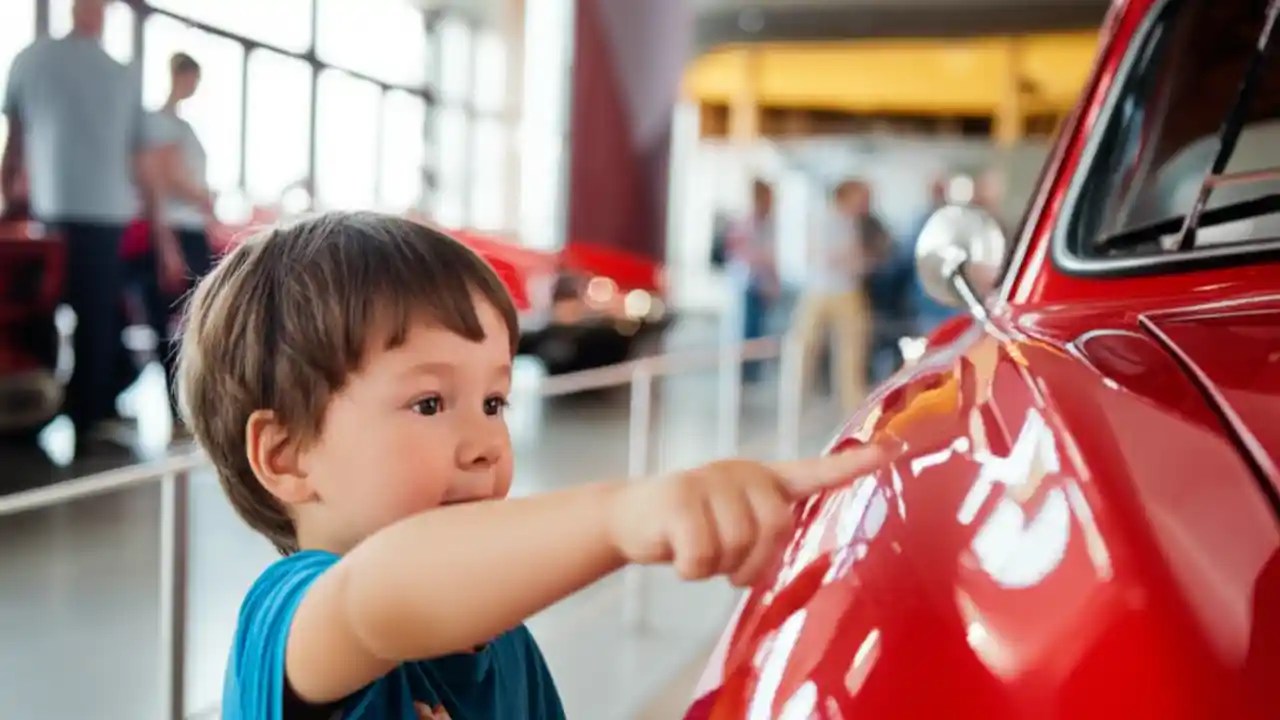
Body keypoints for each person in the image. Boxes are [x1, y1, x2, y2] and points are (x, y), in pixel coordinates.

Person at [179, 212, 890, 719]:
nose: (485, 440)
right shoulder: (288, 618)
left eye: (494, 401)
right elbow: (377, 594)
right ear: (286, 455)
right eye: (429, 403)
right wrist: (620, 514)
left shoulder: (504, 644)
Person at [1, 0, 181, 445]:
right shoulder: (113, 73)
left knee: (51, 315)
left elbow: (16, 142)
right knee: (92, 318)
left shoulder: (37, 59)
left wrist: (8, 197)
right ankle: (82, 415)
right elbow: (140, 162)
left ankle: (51, 414)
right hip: (85, 216)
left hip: (58, 214)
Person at [126, 51, 215, 428]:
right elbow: (158, 186)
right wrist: (167, 247)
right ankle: (179, 410)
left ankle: (192, 406)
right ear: (178, 75)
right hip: (175, 231)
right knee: (172, 323)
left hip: (192, 230)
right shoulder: (158, 125)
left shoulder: (182, 127)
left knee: (198, 321)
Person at [791, 180, 875, 411]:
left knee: (851, 351)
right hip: (821, 290)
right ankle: (794, 396)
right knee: (805, 346)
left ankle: (852, 401)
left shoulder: (852, 223)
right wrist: (852, 260)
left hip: (846, 289)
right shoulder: (823, 218)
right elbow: (823, 255)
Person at [726, 179, 778, 382]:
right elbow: (744, 251)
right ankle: (746, 371)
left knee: (758, 329)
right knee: (748, 328)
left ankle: (752, 371)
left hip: (760, 282)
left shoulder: (767, 223)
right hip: (749, 281)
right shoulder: (748, 222)